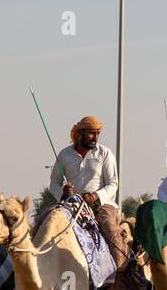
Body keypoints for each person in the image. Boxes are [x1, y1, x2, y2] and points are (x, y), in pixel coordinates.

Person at [48, 115, 128, 269]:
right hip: (71, 205)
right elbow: (54, 184)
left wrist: (95, 196)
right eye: (91, 133)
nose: (95, 137)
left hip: (102, 206)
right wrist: (63, 193)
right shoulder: (64, 155)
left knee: (111, 230)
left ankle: (123, 273)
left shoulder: (105, 153)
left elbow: (113, 184)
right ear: (80, 134)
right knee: (47, 222)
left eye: (97, 133)